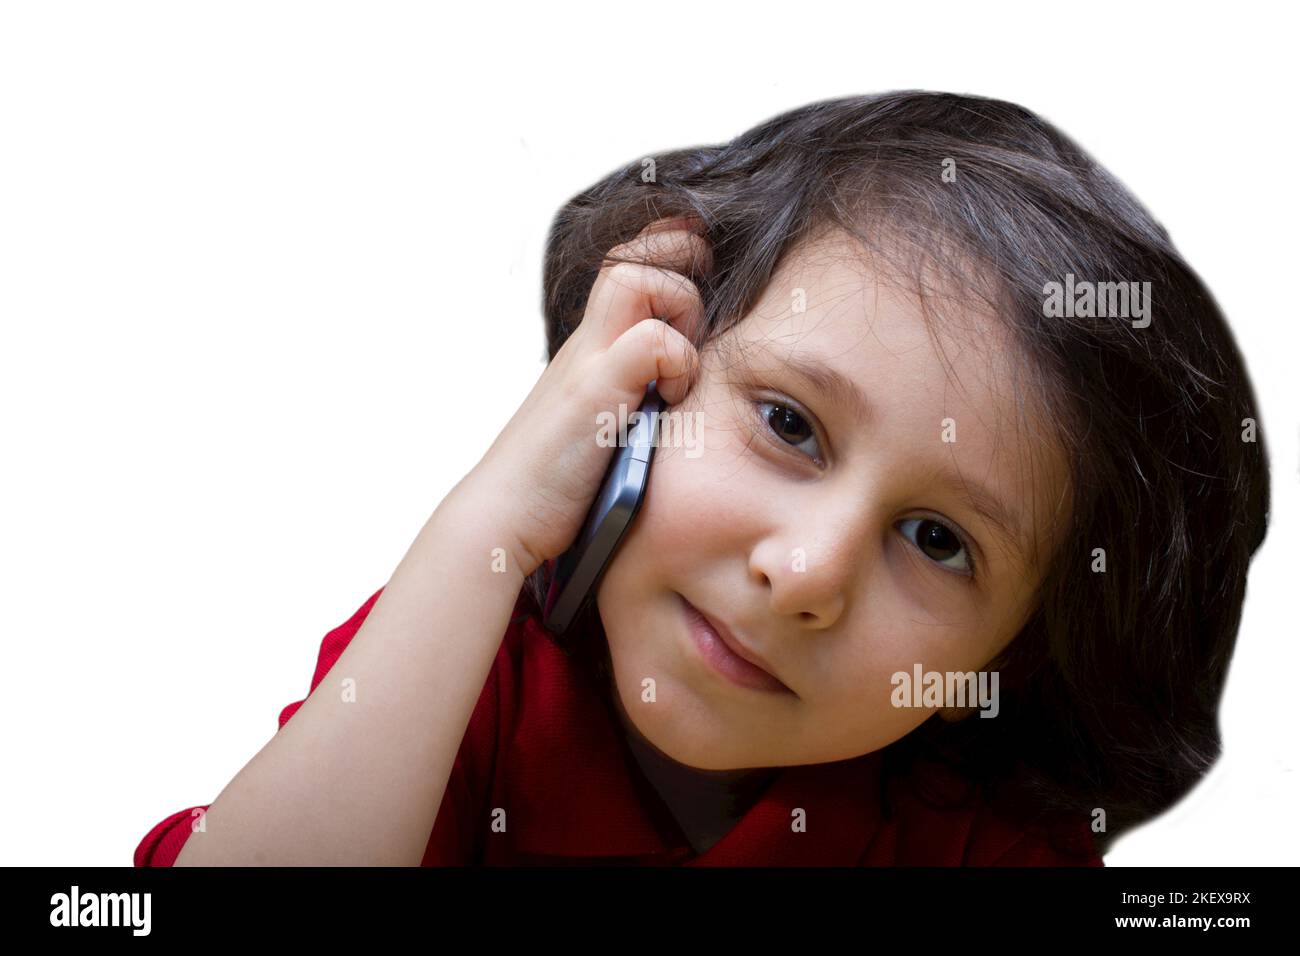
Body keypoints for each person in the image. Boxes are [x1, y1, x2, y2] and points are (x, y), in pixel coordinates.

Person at [134, 90, 1270, 866]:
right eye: (788, 422)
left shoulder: (972, 839)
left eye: (937, 538)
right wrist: (488, 514)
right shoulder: (456, 662)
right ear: (640, 388)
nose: (805, 570)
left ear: (1011, 653)